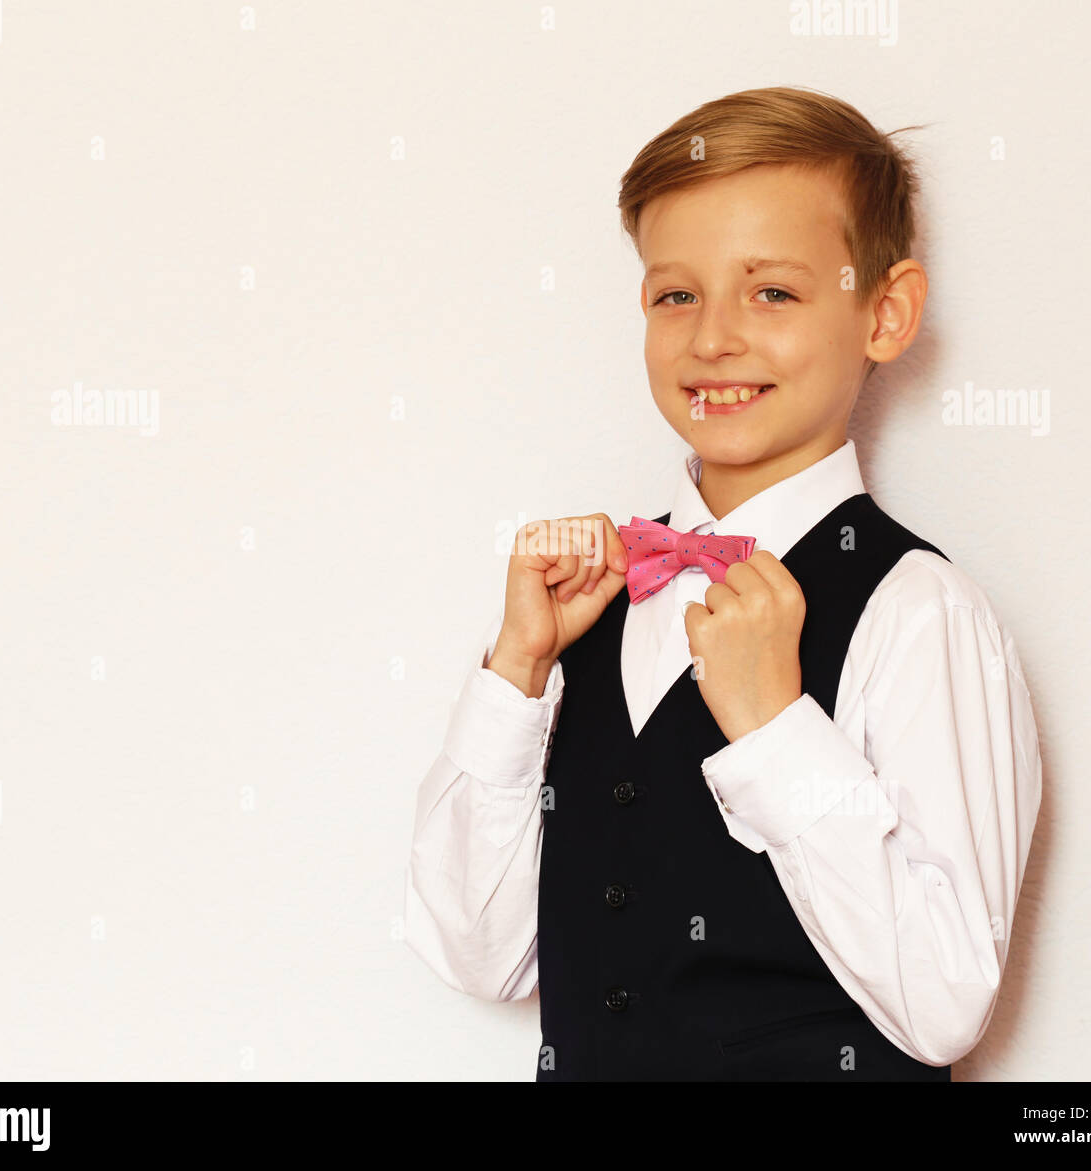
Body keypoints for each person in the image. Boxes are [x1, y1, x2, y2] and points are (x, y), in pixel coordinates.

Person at [403, 86, 1042, 1081]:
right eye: (675, 295)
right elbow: (479, 958)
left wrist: (776, 727)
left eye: (772, 292)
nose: (711, 340)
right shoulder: (588, 603)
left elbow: (946, 1001)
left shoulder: (919, 613)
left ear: (885, 312)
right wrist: (516, 673)